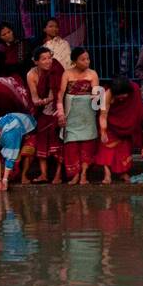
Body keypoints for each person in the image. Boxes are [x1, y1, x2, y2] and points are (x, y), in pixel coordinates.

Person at [56, 47, 100, 185]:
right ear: (74, 61)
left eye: (88, 59)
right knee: (71, 144)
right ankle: (74, 174)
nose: (87, 61)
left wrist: (97, 97)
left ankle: (84, 174)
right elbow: (60, 94)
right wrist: (61, 112)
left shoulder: (93, 74)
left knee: (88, 143)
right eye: (83, 59)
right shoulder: (67, 74)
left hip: (87, 113)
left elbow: (97, 96)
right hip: (71, 112)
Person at [24, 45, 65, 184]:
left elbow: (58, 92)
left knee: (59, 141)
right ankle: (43, 174)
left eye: (49, 58)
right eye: (44, 59)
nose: (48, 61)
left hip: (58, 107)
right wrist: (42, 101)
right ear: (36, 61)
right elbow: (34, 98)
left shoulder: (56, 68)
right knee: (41, 140)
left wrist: (50, 102)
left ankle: (58, 175)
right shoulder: (31, 74)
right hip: (41, 111)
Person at [94, 78, 143, 183]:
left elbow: (138, 110)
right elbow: (103, 116)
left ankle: (123, 173)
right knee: (105, 147)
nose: (121, 99)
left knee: (124, 149)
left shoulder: (134, 89)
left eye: (123, 96)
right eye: (118, 96)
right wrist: (103, 131)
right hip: (110, 123)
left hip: (127, 124)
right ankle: (107, 174)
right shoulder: (107, 94)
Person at [0, 112, 37, 191]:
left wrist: (5, 180)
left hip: (29, 127)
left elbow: (10, 158)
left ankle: (24, 175)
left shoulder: (10, 134)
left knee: (25, 152)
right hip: (13, 126)